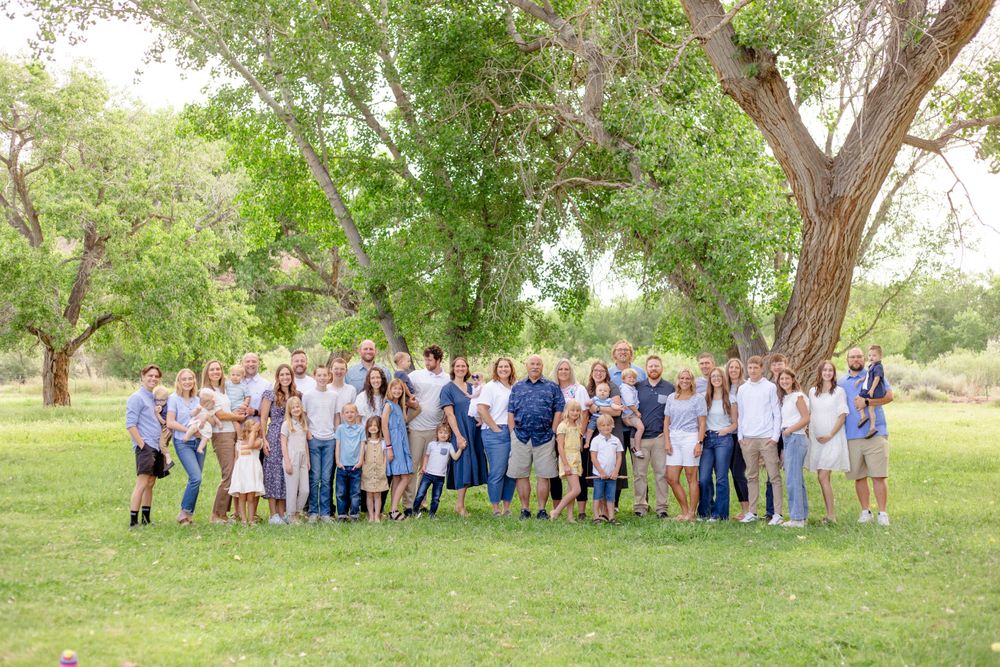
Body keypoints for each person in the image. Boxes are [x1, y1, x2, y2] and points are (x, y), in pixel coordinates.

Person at [507, 354, 565, 520]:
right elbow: (510, 411)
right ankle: (525, 509)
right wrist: (512, 432)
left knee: (544, 475)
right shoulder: (517, 387)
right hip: (521, 437)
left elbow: (559, 410)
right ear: (526, 366)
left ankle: (541, 509)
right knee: (521, 474)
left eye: (538, 364)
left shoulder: (552, 387)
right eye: (532, 363)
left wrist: (553, 431)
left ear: (542, 366)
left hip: (545, 438)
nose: (535, 366)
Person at [840, 347, 893, 526]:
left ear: (864, 359)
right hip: (852, 435)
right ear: (847, 360)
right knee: (859, 476)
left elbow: (889, 397)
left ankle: (883, 513)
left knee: (879, 475)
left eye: (859, 356)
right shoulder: (841, 382)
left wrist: (868, 401)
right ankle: (865, 511)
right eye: (852, 357)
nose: (856, 359)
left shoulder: (874, 374)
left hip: (875, 432)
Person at [403, 345, 450, 515]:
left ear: (438, 360)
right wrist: (410, 404)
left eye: (430, 359)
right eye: (425, 359)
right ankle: (408, 505)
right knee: (412, 467)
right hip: (415, 428)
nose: (427, 362)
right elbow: (401, 393)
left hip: (434, 430)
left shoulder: (447, 379)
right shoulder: (415, 376)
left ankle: (420, 503)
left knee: (428, 468)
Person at [736, 355, 783, 525]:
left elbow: (776, 413)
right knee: (751, 476)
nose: (753, 370)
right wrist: (741, 436)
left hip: (766, 438)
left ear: (762, 368)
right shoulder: (742, 389)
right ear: (747, 369)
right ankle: (752, 512)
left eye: (756, 367)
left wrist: (775, 437)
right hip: (748, 439)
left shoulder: (770, 387)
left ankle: (778, 514)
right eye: (750, 368)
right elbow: (740, 414)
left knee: (774, 476)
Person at [441, 357, 488, 516]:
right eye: (457, 366)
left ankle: (461, 504)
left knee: (471, 462)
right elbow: (449, 414)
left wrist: (481, 418)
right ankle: (459, 505)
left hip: (474, 430)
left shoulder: (471, 387)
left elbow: (480, 404)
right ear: (453, 368)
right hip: (460, 430)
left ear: (467, 368)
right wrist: (458, 436)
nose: (460, 368)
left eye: (463, 366)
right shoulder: (447, 389)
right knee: (463, 464)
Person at [201, 359, 245, 523]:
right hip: (221, 435)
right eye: (212, 369)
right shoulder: (206, 391)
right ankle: (216, 514)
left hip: (233, 432)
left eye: (218, 369)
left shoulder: (224, 389)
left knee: (235, 473)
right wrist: (239, 417)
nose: (215, 372)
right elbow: (220, 414)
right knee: (228, 473)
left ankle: (225, 514)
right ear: (207, 372)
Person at [126, 364, 169, 528]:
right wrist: (142, 445)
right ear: (142, 377)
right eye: (150, 375)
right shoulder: (136, 397)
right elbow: (130, 425)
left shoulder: (153, 397)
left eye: (156, 376)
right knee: (142, 483)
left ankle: (146, 519)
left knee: (151, 483)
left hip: (156, 445)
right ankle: (133, 522)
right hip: (145, 446)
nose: (153, 379)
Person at [808, 361, 850, 523]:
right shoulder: (813, 392)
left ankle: (831, 515)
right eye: (824, 370)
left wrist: (830, 434)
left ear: (833, 373)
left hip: (833, 438)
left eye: (830, 370)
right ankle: (829, 514)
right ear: (820, 372)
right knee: (822, 476)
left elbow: (842, 415)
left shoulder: (839, 392)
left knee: (823, 475)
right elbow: (810, 413)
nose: (827, 372)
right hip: (817, 439)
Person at [633, 355, 674, 518]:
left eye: (656, 366)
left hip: (659, 437)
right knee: (639, 474)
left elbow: (674, 412)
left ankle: (662, 508)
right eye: (651, 366)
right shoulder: (637, 387)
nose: (654, 368)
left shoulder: (670, 388)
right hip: (639, 438)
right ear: (646, 368)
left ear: (661, 368)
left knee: (661, 473)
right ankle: (640, 506)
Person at [663, 369, 707, 521]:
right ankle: (685, 510)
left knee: (691, 477)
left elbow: (702, 423)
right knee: (671, 477)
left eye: (688, 378)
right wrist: (667, 441)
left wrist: (699, 443)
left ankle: (692, 513)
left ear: (692, 380)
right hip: (674, 438)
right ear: (678, 380)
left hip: (690, 437)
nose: (684, 380)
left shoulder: (698, 398)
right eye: (682, 378)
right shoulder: (671, 397)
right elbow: (666, 421)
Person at [585, 361, 628, 515]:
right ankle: (601, 507)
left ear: (606, 373)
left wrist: (597, 408)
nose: (598, 373)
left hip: (612, 429)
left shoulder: (612, 386)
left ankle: (612, 506)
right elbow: (585, 408)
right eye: (596, 370)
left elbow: (616, 412)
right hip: (595, 430)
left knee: (613, 464)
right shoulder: (588, 388)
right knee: (599, 466)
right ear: (591, 372)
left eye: (602, 370)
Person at [260, 364, 300, 524]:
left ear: (291, 376)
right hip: (274, 436)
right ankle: (273, 514)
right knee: (273, 473)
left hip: (292, 437)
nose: (285, 377)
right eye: (282, 374)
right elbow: (263, 418)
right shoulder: (270, 394)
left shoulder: (296, 395)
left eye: (287, 374)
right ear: (277, 377)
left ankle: (283, 513)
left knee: (285, 474)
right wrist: (264, 439)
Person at [477, 357, 518, 516]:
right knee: (497, 470)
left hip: (512, 432)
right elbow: (481, 409)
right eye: (500, 367)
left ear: (511, 368)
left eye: (506, 366)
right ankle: (495, 508)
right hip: (496, 432)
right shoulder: (490, 387)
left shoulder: (514, 387)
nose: (503, 369)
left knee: (511, 471)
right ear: (496, 369)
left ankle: (507, 507)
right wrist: (495, 428)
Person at [698, 367, 737, 521]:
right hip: (707, 439)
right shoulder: (703, 397)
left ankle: (720, 514)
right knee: (704, 478)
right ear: (710, 379)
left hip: (723, 439)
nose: (715, 378)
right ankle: (705, 511)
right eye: (713, 376)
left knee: (721, 477)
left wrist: (726, 430)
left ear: (723, 378)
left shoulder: (731, 398)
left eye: (718, 376)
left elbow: (735, 423)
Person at [165, 368, 203, 524]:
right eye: (184, 379)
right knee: (196, 477)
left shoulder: (198, 399)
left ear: (194, 380)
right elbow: (171, 422)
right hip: (183, 441)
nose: (187, 382)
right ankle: (183, 512)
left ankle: (188, 516)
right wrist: (190, 431)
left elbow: (204, 417)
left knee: (196, 479)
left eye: (190, 378)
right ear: (179, 382)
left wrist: (200, 432)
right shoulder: (173, 398)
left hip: (199, 442)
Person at [554, 359, 591, 518]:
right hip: (562, 440)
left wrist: (580, 436)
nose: (563, 372)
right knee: (566, 481)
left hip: (576, 440)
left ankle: (574, 514)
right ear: (556, 371)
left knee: (576, 482)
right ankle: (556, 510)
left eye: (566, 369)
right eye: (560, 369)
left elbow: (584, 413)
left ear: (571, 371)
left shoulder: (579, 389)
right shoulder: (553, 388)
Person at [302, 365, 337, 522]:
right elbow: (303, 416)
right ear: (314, 376)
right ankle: (313, 511)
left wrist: (336, 434)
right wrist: (307, 432)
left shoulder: (334, 395)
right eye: (319, 375)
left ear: (329, 377)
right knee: (315, 477)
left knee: (327, 477)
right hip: (314, 438)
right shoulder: (308, 395)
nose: (322, 378)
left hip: (330, 439)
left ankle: (325, 512)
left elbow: (336, 416)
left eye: (325, 375)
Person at [777, 369, 811, 528]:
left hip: (796, 437)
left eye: (786, 378)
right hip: (790, 438)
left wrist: (789, 430)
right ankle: (802, 516)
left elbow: (806, 418)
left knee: (792, 479)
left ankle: (797, 519)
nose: (784, 381)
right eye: (781, 379)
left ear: (793, 379)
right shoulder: (786, 398)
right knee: (796, 478)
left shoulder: (798, 396)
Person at [384, 378, 420, 520]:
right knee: (405, 476)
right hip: (395, 443)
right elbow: (384, 426)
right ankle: (393, 510)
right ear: (390, 390)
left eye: (400, 389)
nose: (397, 391)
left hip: (403, 442)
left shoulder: (398, 405)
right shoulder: (388, 406)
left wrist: (408, 399)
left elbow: (405, 419)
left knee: (398, 477)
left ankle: (394, 510)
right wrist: (389, 447)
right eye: (395, 388)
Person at [413, 422, 465, 518]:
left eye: (446, 433)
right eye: (441, 432)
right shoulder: (432, 444)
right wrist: (424, 466)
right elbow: (426, 456)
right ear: (437, 434)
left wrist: (460, 449)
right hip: (428, 474)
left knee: (436, 497)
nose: (443, 435)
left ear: (449, 435)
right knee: (420, 494)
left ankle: (432, 514)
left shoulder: (449, 446)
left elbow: (455, 457)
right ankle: (414, 511)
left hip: (440, 477)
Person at [726, 358, 750, 520]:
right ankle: (744, 510)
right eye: (731, 367)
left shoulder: (747, 387)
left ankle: (748, 510)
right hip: (727, 434)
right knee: (732, 472)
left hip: (742, 434)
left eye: (736, 367)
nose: (733, 370)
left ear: (741, 370)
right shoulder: (723, 387)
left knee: (738, 471)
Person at [551, 399, 584, 522]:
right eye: (572, 410)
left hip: (576, 459)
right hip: (567, 459)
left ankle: (570, 516)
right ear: (567, 411)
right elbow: (560, 446)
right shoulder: (562, 426)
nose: (575, 413)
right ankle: (556, 511)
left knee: (571, 490)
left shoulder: (577, 426)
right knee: (577, 489)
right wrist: (565, 464)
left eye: (577, 411)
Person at [764, 353, 787, 521]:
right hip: (773, 433)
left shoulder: (789, 384)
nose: (777, 367)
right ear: (770, 367)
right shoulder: (769, 386)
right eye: (774, 364)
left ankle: (792, 511)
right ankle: (770, 510)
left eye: (780, 364)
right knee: (771, 474)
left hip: (788, 432)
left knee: (791, 474)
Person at [280, 396, 310, 523]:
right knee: (292, 489)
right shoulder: (287, 424)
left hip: (303, 457)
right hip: (292, 457)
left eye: (298, 406)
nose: (296, 409)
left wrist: (307, 460)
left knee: (305, 490)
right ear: (289, 410)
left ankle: (297, 512)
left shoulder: (303, 423)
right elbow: (283, 443)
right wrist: (287, 461)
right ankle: (291, 516)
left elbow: (305, 443)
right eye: (293, 408)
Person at [590, 415, 624, 523]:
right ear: (599, 427)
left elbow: (619, 457)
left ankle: (611, 517)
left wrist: (615, 471)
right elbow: (593, 457)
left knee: (610, 496)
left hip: (611, 475)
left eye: (608, 425)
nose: (606, 427)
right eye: (603, 425)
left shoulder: (616, 440)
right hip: (599, 475)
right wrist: (601, 471)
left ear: (612, 425)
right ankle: (596, 517)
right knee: (598, 495)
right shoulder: (596, 440)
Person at [229, 421, 265, 525]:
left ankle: (251, 519)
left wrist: (253, 432)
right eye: (253, 425)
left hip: (252, 471)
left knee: (250, 497)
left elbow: (250, 445)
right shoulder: (239, 443)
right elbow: (236, 459)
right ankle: (244, 520)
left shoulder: (258, 441)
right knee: (242, 496)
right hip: (241, 471)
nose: (256, 426)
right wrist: (235, 474)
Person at [334, 403, 365, 521]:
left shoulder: (361, 429)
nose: (350, 414)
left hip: (355, 466)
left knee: (355, 492)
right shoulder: (340, 429)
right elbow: (338, 445)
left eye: (352, 412)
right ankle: (342, 514)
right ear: (342, 415)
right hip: (342, 466)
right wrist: (337, 461)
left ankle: (354, 514)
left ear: (356, 413)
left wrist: (360, 461)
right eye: (347, 412)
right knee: (341, 492)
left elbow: (362, 445)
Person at [360, 416, 390, 522]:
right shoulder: (365, 442)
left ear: (379, 427)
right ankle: (370, 515)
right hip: (368, 471)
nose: (373, 427)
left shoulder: (382, 442)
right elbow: (362, 456)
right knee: (369, 494)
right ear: (367, 427)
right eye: (371, 425)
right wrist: (363, 467)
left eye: (376, 425)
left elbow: (385, 455)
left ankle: (377, 515)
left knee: (378, 494)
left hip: (379, 471)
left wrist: (384, 467)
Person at [856, 344, 886, 438]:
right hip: (868, 389)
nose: (871, 357)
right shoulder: (871, 366)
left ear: (880, 356)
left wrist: (872, 389)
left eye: (874, 355)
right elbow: (869, 376)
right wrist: (861, 379)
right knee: (857, 399)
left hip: (873, 391)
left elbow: (877, 378)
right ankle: (863, 417)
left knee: (871, 409)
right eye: (870, 355)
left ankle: (872, 428)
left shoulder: (878, 367)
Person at [183, 388, 223, 453]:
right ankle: (186, 437)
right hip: (197, 423)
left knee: (205, 437)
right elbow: (192, 414)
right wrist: (197, 410)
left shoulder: (211, 411)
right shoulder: (199, 407)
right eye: (205, 402)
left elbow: (215, 419)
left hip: (205, 427)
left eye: (209, 403)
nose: (207, 405)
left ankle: (200, 448)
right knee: (192, 428)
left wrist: (219, 424)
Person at [619, 368, 645, 457]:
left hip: (629, 414)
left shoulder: (631, 387)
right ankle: (637, 448)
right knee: (641, 428)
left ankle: (636, 447)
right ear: (623, 379)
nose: (632, 379)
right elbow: (629, 403)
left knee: (639, 428)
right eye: (629, 377)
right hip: (630, 414)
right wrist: (637, 412)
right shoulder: (626, 389)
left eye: (634, 377)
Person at [328, 358, 359, 427]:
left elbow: (354, 412)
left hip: (347, 430)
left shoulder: (351, 390)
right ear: (331, 370)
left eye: (342, 369)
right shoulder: (326, 389)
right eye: (336, 368)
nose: (339, 371)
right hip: (329, 431)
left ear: (346, 371)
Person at [240, 353, 272, 421]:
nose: (251, 364)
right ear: (242, 364)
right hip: (234, 429)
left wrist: (254, 412)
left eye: (254, 361)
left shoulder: (266, 385)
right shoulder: (235, 382)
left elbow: (270, 412)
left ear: (258, 364)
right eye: (247, 361)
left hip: (256, 429)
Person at [151, 386, 176, 472]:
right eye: (157, 400)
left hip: (166, 427)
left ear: (167, 399)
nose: (159, 402)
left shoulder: (167, 408)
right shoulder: (157, 404)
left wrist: (157, 414)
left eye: (162, 400)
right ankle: (164, 463)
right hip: (164, 428)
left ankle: (169, 461)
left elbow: (164, 422)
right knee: (164, 445)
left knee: (162, 444)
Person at [585, 382, 615, 449]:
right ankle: (587, 442)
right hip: (594, 418)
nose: (602, 392)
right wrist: (588, 403)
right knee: (590, 430)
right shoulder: (595, 398)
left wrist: (618, 407)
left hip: (604, 419)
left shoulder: (609, 400)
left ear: (608, 394)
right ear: (596, 392)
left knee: (605, 431)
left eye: (605, 391)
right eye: (600, 390)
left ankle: (606, 443)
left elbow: (614, 406)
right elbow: (588, 402)